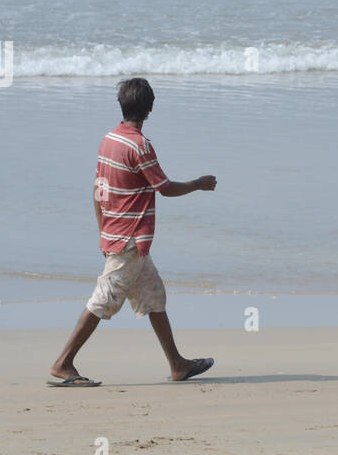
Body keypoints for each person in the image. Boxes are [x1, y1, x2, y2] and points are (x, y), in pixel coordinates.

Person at [47, 78, 216, 386]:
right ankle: (63, 362)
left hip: (121, 237)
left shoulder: (108, 139)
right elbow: (163, 188)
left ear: (122, 106)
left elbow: (98, 189)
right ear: (150, 109)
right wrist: (198, 184)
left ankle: (177, 364)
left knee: (153, 297)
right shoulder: (140, 146)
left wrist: (102, 232)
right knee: (103, 299)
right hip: (129, 239)